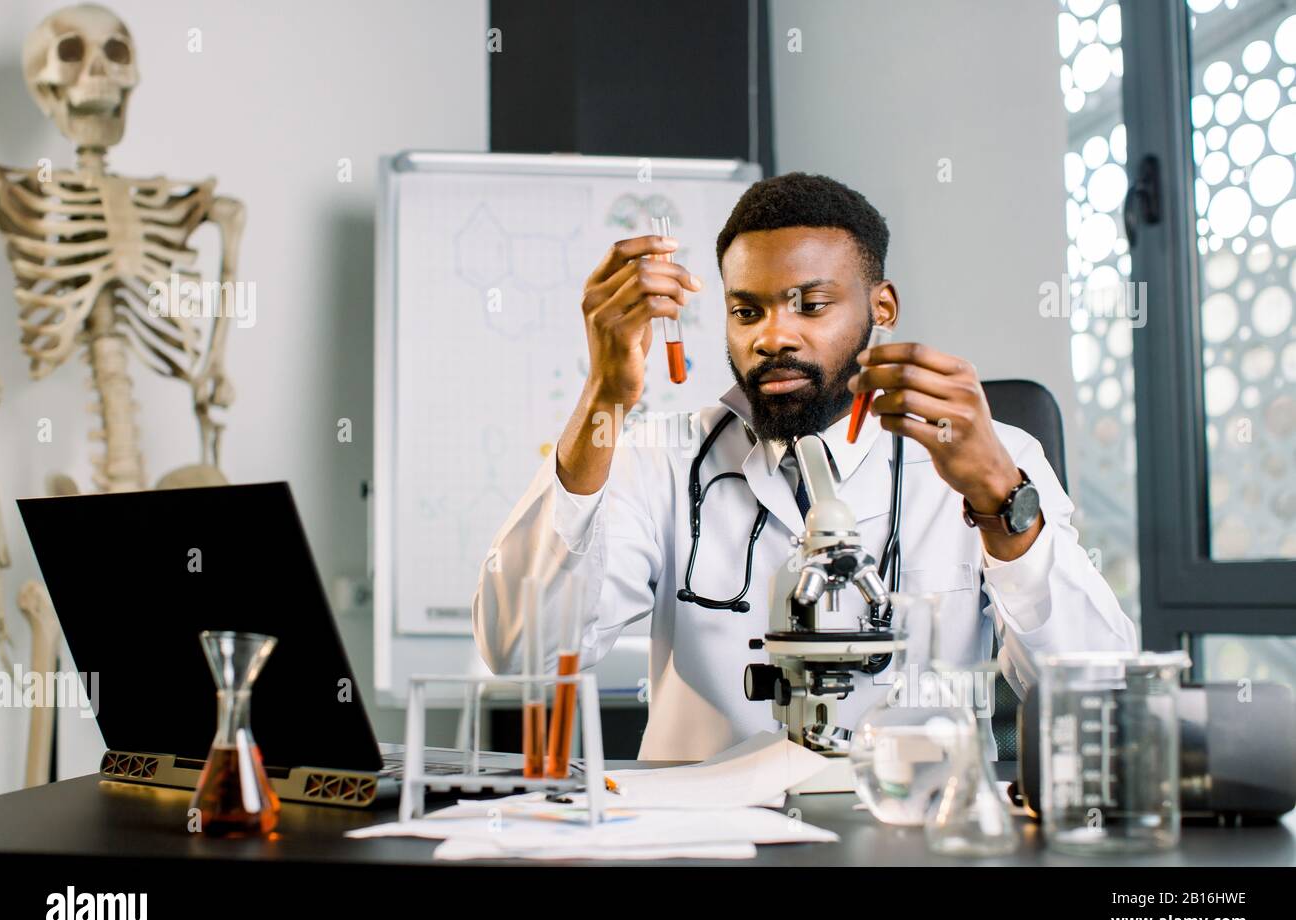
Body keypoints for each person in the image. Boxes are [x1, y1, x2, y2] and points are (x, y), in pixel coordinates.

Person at [473, 172, 1135, 761]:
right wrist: (605, 397)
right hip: (705, 846)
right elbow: (524, 652)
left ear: (883, 307)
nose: (773, 336)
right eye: (746, 311)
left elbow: (1100, 694)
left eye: (810, 305)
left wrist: (999, 500)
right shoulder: (657, 457)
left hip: (908, 835)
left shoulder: (995, 459)